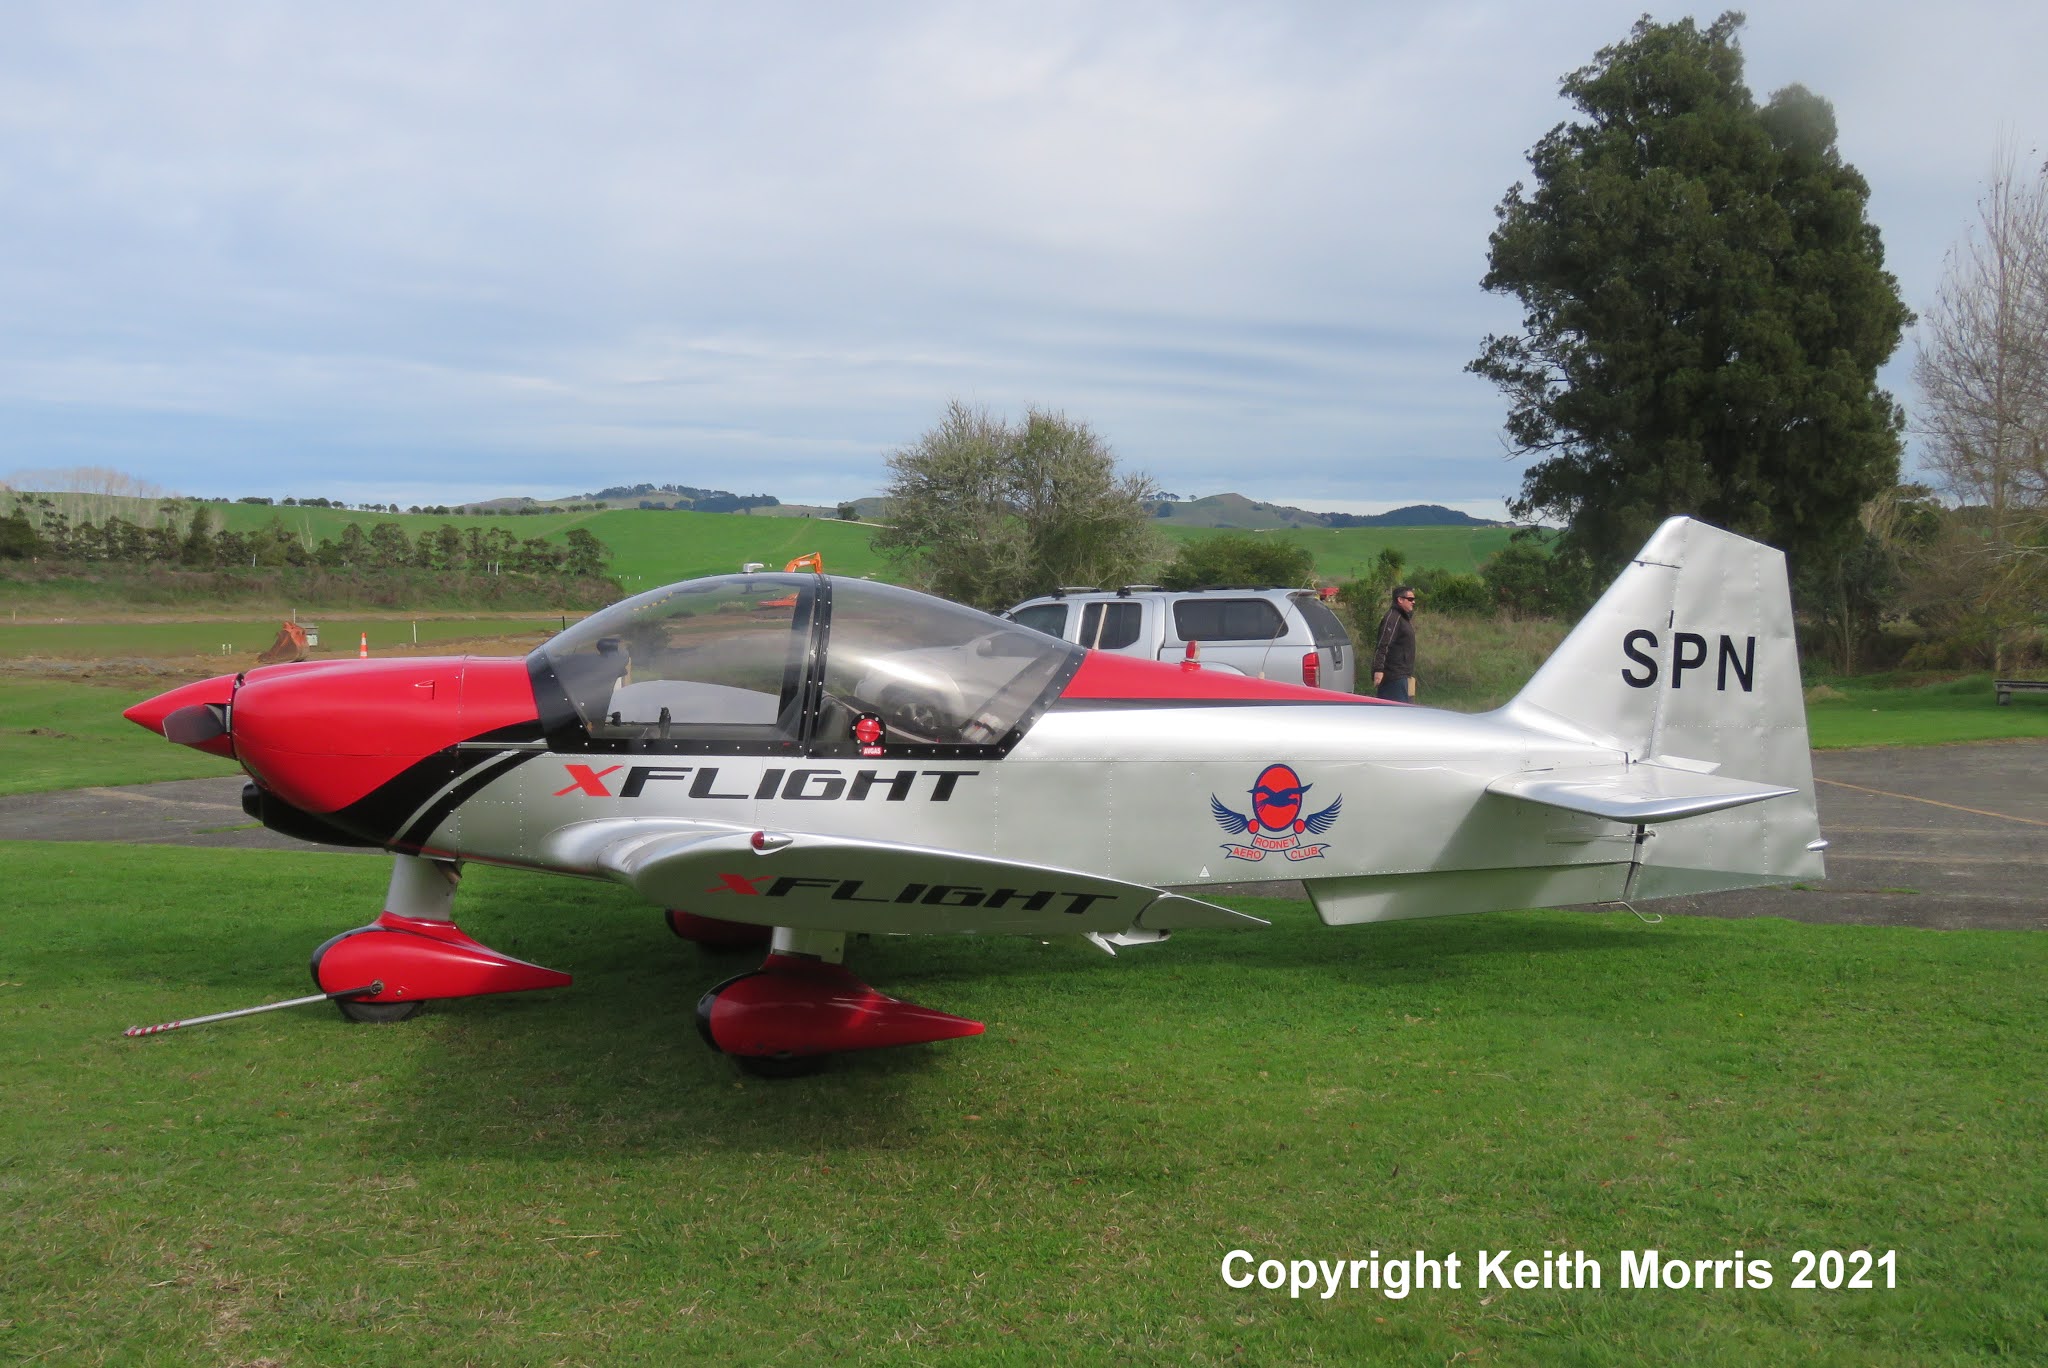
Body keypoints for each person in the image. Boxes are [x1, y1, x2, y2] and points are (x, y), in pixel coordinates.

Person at [1370, 585, 1417, 702]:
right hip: (1393, 677)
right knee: (1395, 715)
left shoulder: (1403, 618)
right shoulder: (1392, 618)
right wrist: (1378, 670)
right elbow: (1383, 644)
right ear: (1400, 600)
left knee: (1406, 713)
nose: (1413, 602)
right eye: (1410, 599)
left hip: (1404, 675)